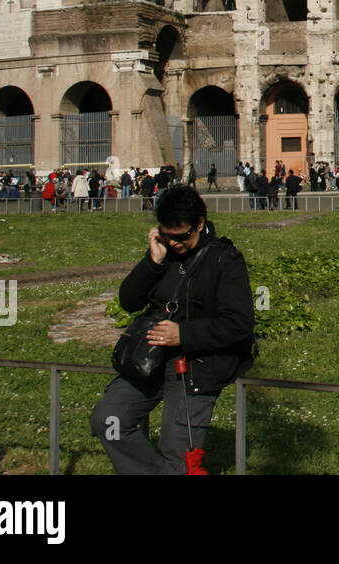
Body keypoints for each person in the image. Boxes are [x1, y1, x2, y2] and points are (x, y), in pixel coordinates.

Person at [91, 186, 255, 474]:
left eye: (181, 236)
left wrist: (183, 335)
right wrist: (152, 262)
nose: (175, 243)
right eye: (167, 235)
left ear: (200, 223)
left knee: (176, 456)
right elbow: (129, 301)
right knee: (109, 420)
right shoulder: (164, 253)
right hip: (149, 362)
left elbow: (239, 324)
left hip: (195, 369)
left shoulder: (224, 260)